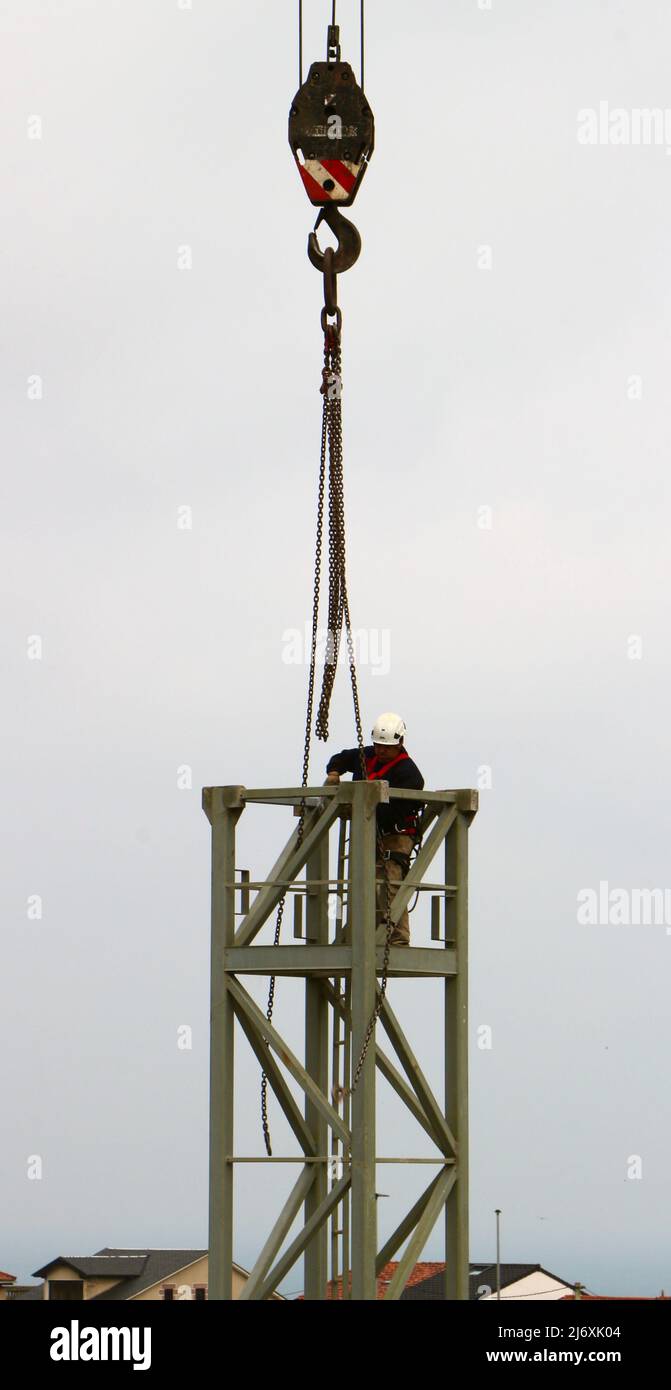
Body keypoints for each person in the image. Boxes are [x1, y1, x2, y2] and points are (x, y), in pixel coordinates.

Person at [324, 713, 424, 946]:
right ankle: (370, 933)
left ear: (400, 744)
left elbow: (395, 811)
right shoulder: (366, 756)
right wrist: (334, 772)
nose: (380, 751)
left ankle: (397, 938)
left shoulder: (409, 774)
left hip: (395, 835)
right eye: (378, 745)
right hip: (370, 829)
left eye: (386, 747)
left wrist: (360, 811)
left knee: (390, 883)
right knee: (369, 883)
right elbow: (341, 758)